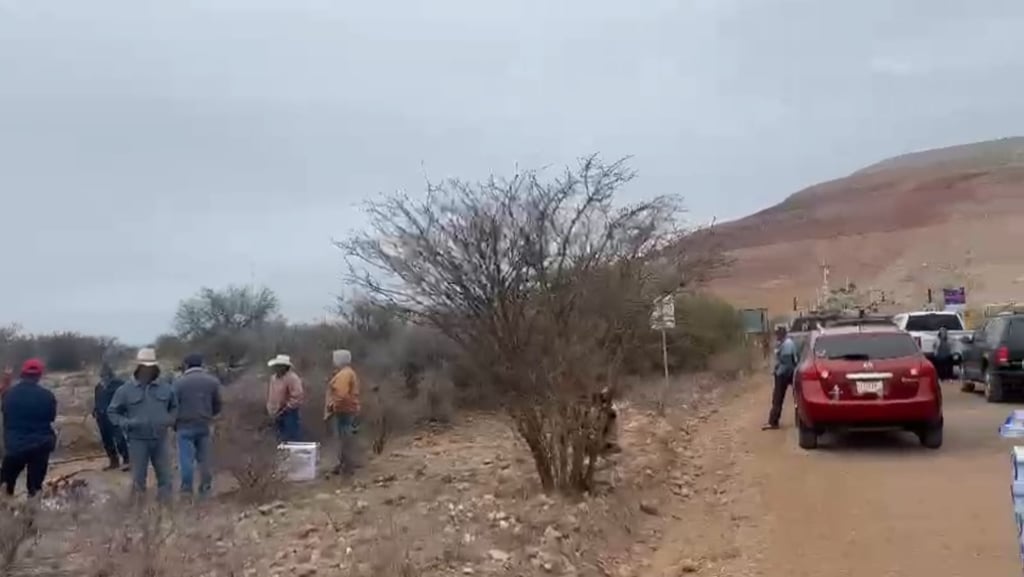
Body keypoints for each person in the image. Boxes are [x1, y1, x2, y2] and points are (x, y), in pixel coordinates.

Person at [108, 348, 178, 503]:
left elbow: (174, 406)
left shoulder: (166, 388)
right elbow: (112, 412)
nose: (148, 369)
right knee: (138, 477)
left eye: (150, 366)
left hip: (161, 439)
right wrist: (126, 423)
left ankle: (166, 510)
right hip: (137, 440)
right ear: (138, 367)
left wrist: (170, 419)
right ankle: (138, 510)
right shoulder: (125, 390)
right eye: (144, 366)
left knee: (165, 476)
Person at [1, 359, 57, 497]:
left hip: (15, 446)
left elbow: (5, 414)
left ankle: (6, 512)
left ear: (22, 373)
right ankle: (32, 515)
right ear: (39, 375)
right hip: (41, 444)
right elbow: (51, 417)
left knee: (5, 483)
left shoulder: (9, 395)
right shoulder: (47, 395)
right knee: (35, 487)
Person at [172, 353, 222, 499]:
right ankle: (205, 490)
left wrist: (174, 423)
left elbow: (173, 405)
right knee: (205, 459)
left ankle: (187, 490)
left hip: (184, 425)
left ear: (186, 365)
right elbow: (218, 404)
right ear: (202, 364)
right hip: (205, 424)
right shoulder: (212, 381)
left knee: (186, 460)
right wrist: (210, 415)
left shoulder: (178, 383)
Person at [324, 349, 360, 476]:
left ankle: (347, 467)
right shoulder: (348, 373)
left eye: (335, 358)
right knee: (345, 437)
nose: (333, 361)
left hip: (344, 410)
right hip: (348, 409)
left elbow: (342, 394)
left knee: (344, 438)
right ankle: (344, 464)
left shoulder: (344, 374)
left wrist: (333, 405)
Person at [93, 363, 130, 471]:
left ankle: (127, 460)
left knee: (119, 438)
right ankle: (113, 461)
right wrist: (95, 410)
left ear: (110, 375)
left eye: (105, 375)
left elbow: (125, 400)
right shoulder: (98, 387)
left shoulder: (119, 385)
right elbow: (97, 400)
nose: (103, 378)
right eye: (101, 375)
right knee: (106, 440)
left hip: (115, 416)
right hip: (101, 417)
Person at [763, 326, 798, 430]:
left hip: (785, 374)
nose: (776, 336)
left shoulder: (787, 344)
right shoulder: (784, 343)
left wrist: (778, 373)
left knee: (778, 398)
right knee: (794, 398)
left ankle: (773, 422)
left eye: (777, 334)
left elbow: (787, 363)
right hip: (789, 372)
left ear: (781, 334)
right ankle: (798, 421)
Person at [266, 354, 304, 443]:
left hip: (289, 412)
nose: (277, 368)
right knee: (279, 437)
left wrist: (287, 407)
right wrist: (271, 409)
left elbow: (298, 395)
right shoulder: (273, 378)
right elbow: (271, 394)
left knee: (291, 436)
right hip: (276, 412)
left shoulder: (292, 378)